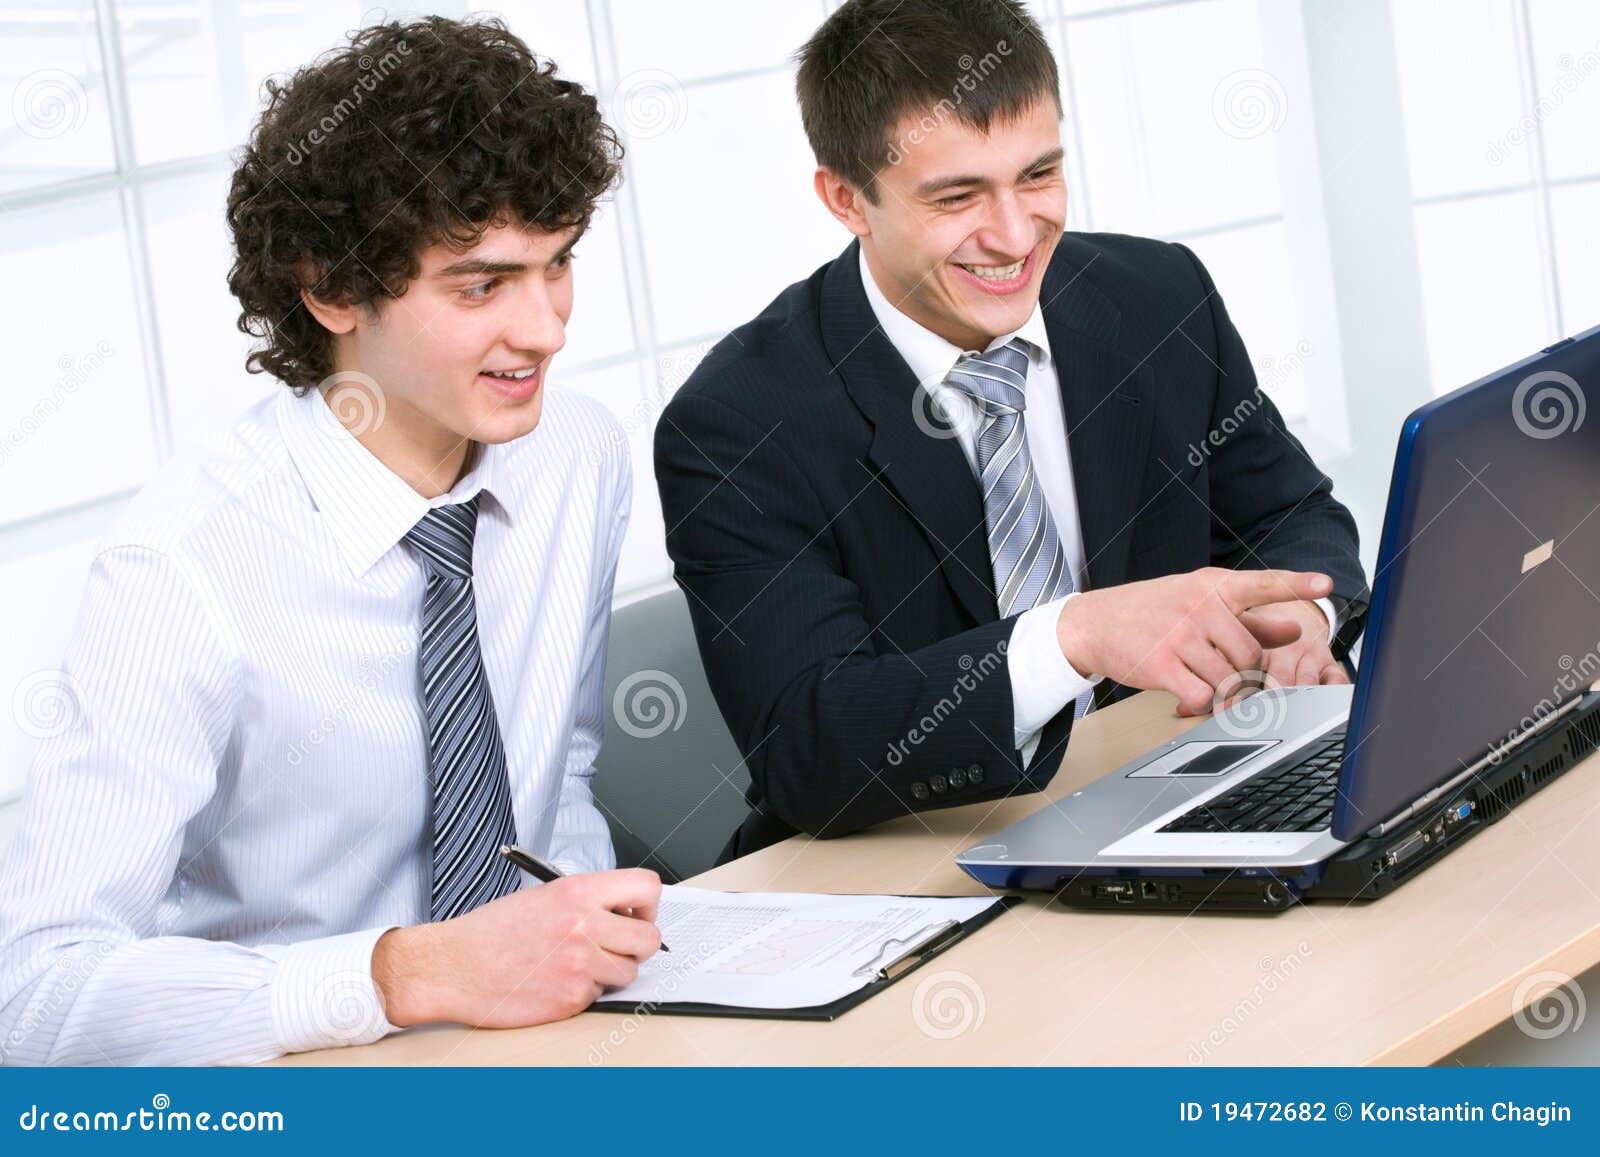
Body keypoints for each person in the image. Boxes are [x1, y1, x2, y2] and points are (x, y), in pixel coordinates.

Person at [0, 16, 660, 1066]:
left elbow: (556, 770)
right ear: (331, 286)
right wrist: (406, 972)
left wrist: (578, 932)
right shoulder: (184, 567)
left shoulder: (576, 456)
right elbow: (33, 995)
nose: (545, 329)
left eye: (559, 264)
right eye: (481, 284)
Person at [654, 0, 1370, 862]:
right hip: (905, 866)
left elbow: (1287, 516)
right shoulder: (738, 421)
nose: (1014, 234)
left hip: (1176, 793)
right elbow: (808, 746)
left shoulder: (1158, 297)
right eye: (957, 196)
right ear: (847, 199)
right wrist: (1074, 636)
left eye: (1037, 175)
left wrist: (1306, 617)